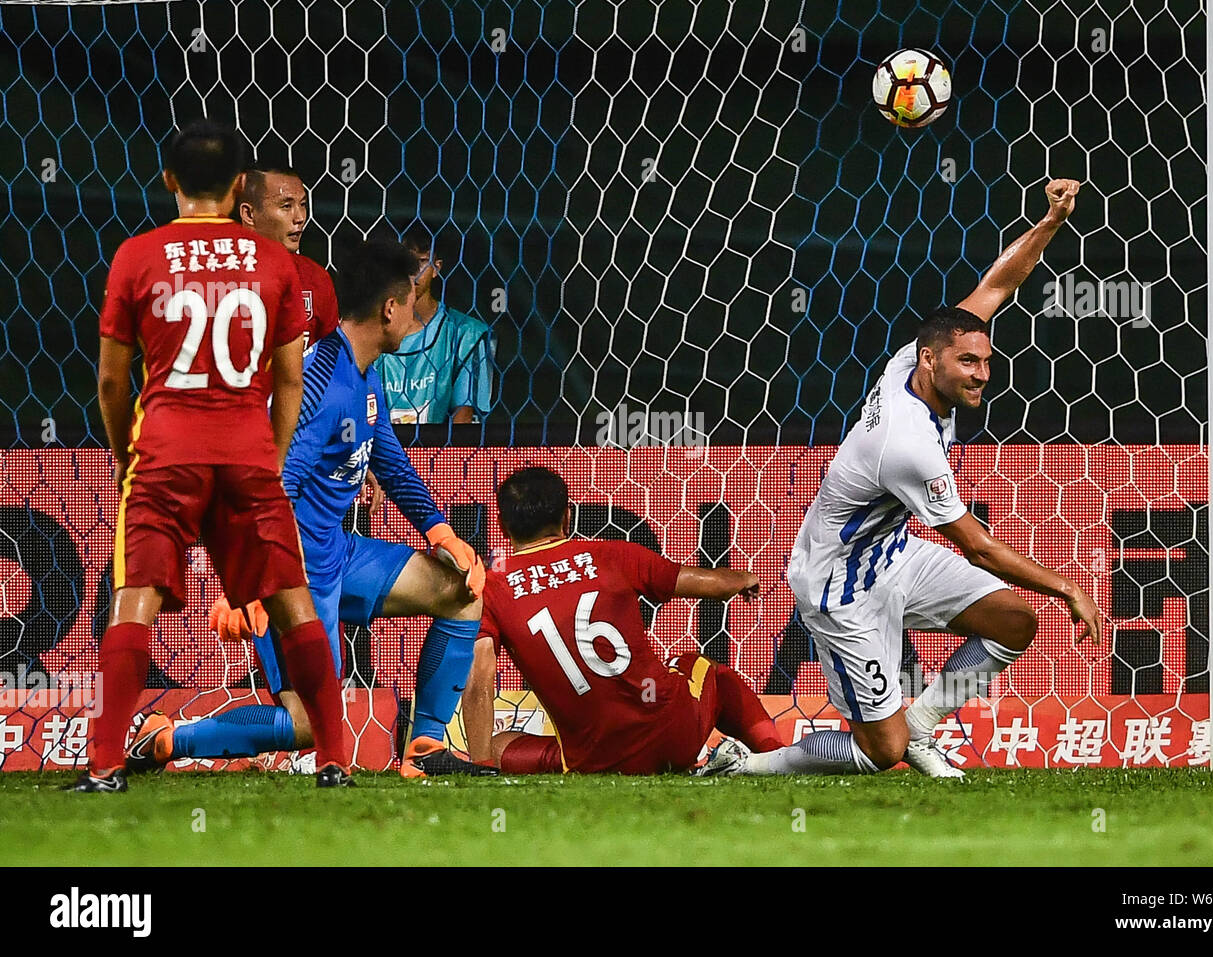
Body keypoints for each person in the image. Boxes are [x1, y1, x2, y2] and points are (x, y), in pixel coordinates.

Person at [706, 179, 1102, 779]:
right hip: (841, 585)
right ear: (931, 360)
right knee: (877, 753)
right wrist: (1068, 586)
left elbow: (999, 283)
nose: (982, 374)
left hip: (891, 553)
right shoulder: (907, 445)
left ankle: (921, 730)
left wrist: (1051, 219)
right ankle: (748, 765)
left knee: (1015, 621)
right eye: (968, 362)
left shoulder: (907, 362)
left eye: (986, 361)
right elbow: (978, 545)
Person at [127, 239, 492, 779]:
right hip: (293, 573)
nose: (419, 314)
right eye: (413, 302)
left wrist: (441, 532)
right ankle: (168, 738)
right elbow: (275, 484)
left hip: (337, 554)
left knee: (461, 594)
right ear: (390, 309)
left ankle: (425, 747)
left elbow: (388, 459)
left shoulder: (366, 373)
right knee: (308, 724)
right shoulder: (321, 382)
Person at [78, 119, 350, 791]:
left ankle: (106, 764)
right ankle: (336, 761)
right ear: (237, 188)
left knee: (133, 599)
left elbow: (113, 380)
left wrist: (123, 455)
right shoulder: (275, 264)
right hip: (247, 452)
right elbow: (291, 379)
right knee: (293, 604)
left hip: (166, 450)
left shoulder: (137, 256)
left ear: (169, 180)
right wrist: (273, 457)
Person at [466, 466, 784, 774]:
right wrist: (742, 578)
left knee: (498, 744)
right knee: (708, 670)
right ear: (567, 516)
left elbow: (479, 683)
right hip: (674, 738)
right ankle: (774, 755)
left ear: (501, 524)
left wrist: (480, 767)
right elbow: (707, 584)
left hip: (595, 763)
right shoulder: (612, 555)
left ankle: (524, 763)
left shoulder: (491, 589)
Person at [376, 231, 494, 426]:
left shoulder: (464, 334)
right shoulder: (375, 330)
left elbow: (463, 420)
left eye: (421, 262)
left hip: (440, 453)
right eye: (406, 262)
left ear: (436, 268)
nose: (413, 272)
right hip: (382, 453)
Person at [235, 166, 339, 347]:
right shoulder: (220, 274)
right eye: (286, 206)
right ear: (249, 214)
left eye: (303, 205)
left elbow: (330, 359)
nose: (299, 217)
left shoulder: (316, 278)